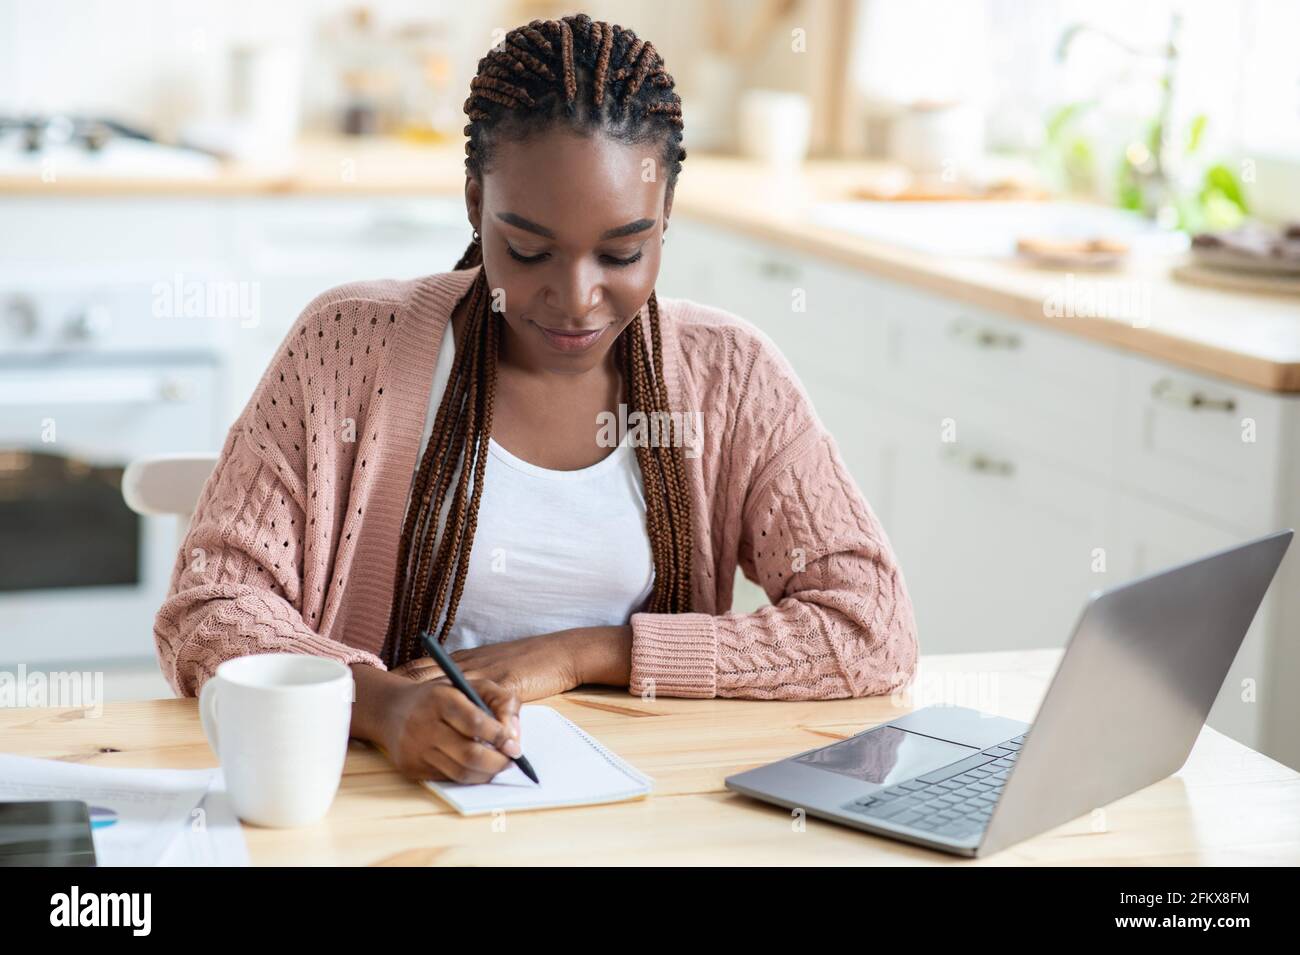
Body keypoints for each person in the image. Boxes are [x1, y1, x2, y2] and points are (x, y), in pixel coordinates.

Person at [155, 13, 917, 785]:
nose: (576, 298)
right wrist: (381, 707)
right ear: (475, 200)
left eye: (622, 252)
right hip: (384, 803)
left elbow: (870, 628)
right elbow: (211, 605)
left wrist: (580, 653)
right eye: (527, 250)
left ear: (667, 220)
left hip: (650, 809)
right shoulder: (348, 345)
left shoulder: (730, 374)